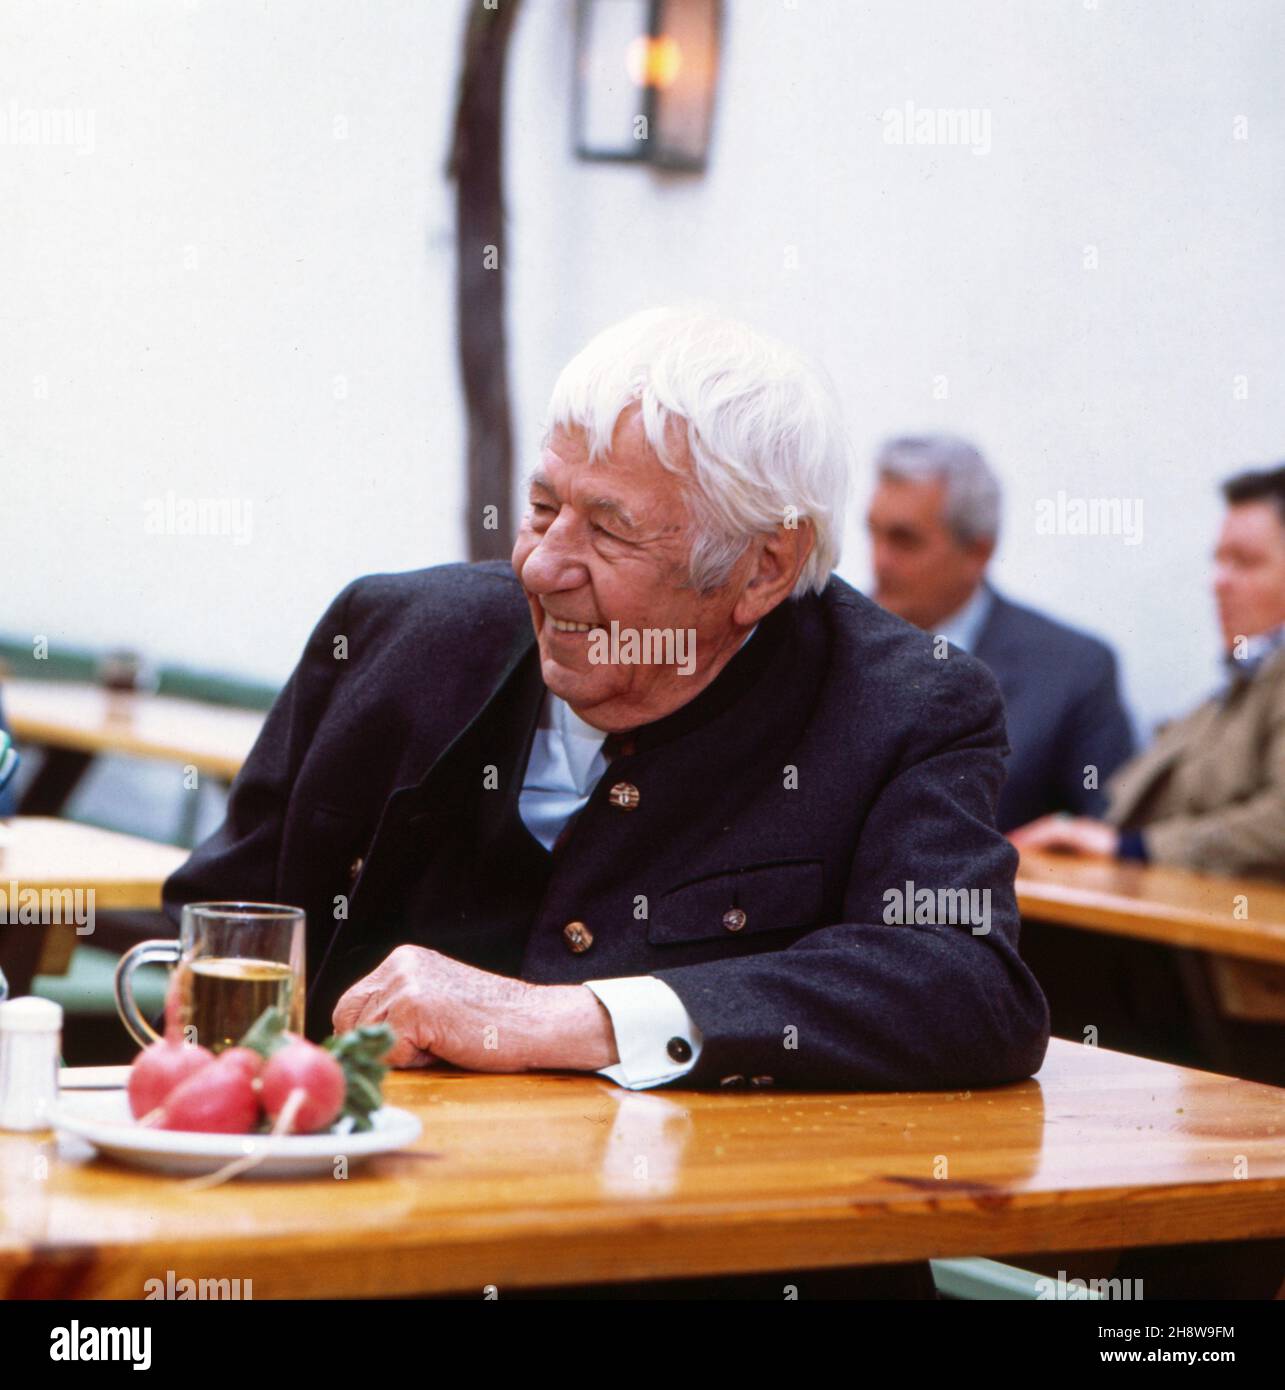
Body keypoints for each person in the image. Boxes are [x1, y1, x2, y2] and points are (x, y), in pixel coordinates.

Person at [164, 308, 1049, 1099]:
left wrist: (567, 1019)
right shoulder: (393, 636)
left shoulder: (903, 705)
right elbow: (223, 920)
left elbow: (966, 986)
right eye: (541, 508)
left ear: (763, 568)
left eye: (610, 528)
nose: (542, 566)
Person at [1012, 464, 1285, 1038]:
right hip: (1196, 971)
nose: (1219, 581)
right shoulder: (1242, 683)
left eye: (1246, 562)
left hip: (1253, 996)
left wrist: (1132, 846)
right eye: (1218, 560)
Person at [866, 434, 1134, 831]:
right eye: (874, 533)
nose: (879, 560)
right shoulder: (837, 646)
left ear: (978, 552)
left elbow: (1107, 829)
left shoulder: (1073, 670)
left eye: (904, 540)